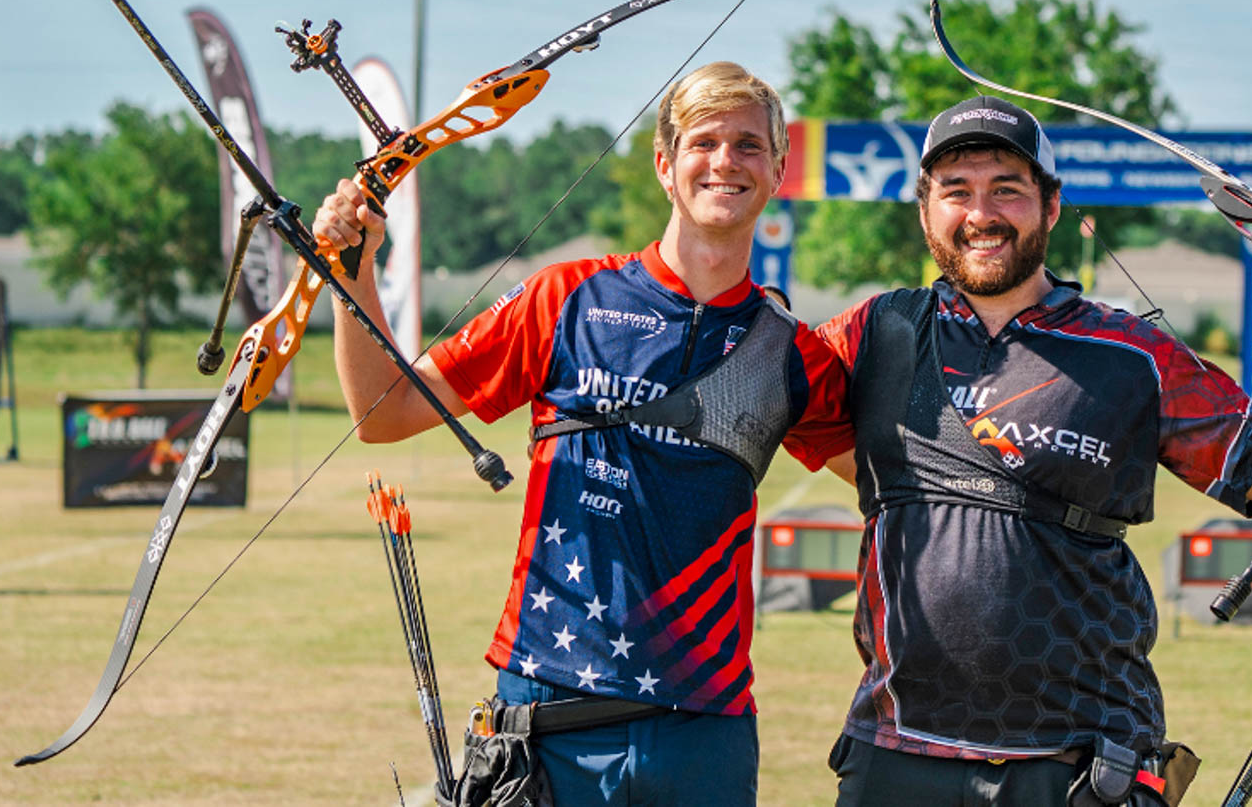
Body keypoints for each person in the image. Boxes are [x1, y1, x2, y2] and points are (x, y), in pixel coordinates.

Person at [813, 95, 1252, 806]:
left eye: (1007, 189)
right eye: (957, 191)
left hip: (1073, 760)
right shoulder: (872, 332)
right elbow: (765, 393)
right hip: (898, 754)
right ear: (925, 210)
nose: (981, 213)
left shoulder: (1128, 352)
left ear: (1051, 204)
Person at [314, 61, 854, 806]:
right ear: (665, 165)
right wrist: (353, 273)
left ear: (778, 170)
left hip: (704, 729)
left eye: (748, 145)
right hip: (550, 714)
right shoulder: (564, 299)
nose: (725, 161)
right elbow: (383, 412)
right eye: (702, 142)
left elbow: (908, 483)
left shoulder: (790, 350)